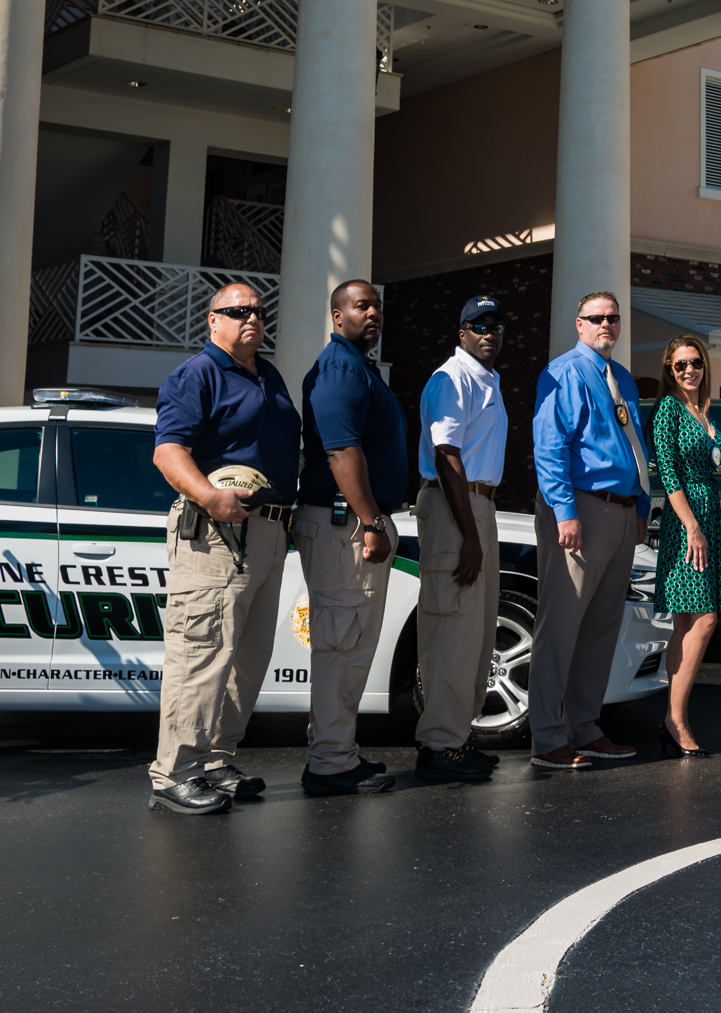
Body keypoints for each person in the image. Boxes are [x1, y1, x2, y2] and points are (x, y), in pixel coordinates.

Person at [146, 282, 301, 815]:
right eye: (237, 311)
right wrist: (210, 496)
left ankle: (214, 761)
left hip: (268, 530)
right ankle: (174, 773)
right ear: (212, 320)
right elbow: (168, 452)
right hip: (217, 531)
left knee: (246, 658)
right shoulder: (198, 374)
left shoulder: (268, 374)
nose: (251, 318)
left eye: (258, 311)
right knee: (201, 652)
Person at [528, 290, 651, 770]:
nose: (606, 325)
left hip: (621, 513)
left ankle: (585, 727)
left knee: (601, 629)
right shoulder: (562, 373)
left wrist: (640, 504)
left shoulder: (622, 378)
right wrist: (564, 512)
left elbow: (635, 445)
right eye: (596, 318)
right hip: (581, 509)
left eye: (612, 318)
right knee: (560, 628)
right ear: (579, 324)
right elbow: (549, 447)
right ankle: (547, 737)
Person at [295, 280, 407, 797]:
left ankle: (336, 753)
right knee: (342, 646)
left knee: (351, 645)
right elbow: (341, 452)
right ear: (338, 316)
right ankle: (329, 764)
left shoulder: (358, 367)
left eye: (377, 306)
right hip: (345, 525)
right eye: (362, 306)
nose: (373, 313)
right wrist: (371, 522)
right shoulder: (339, 369)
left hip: (351, 522)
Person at [410, 294, 511, 785]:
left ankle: (455, 737)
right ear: (462, 333)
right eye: (479, 325)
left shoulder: (486, 378)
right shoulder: (452, 378)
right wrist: (470, 535)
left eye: (496, 325)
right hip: (456, 507)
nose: (489, 333)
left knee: (475, 632)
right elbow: (446, 454)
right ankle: (438, 746)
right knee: (451, 632)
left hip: (478, 505)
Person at [648, 334, 721, 757]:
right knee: (705, 618)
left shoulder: (703, 411)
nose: (689, 370)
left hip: (708, 516)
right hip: (686, 523)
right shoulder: (669, 409)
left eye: (695, 362)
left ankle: (673, 718)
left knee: (686, 623)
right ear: (669, 369)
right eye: (680, 365)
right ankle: (676, 721)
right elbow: (668, 473)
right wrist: (692, 526)